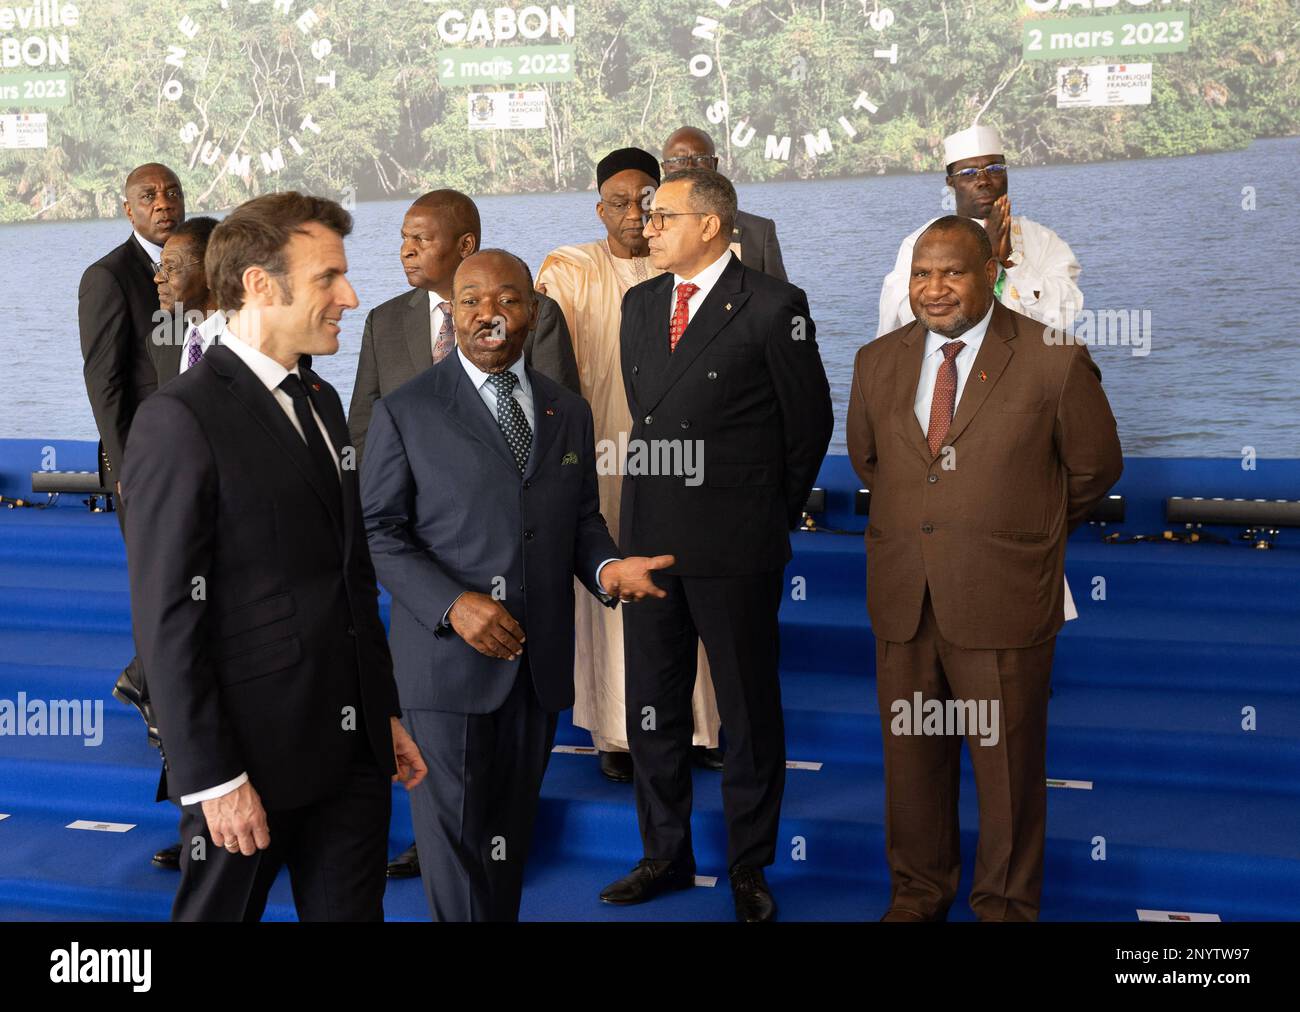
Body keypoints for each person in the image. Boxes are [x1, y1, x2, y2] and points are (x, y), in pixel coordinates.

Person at [121, 192, 426, 921]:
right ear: (259, 285)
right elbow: (167, 616)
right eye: (329, 278)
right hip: (246, 765)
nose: (350, 297)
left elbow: (348, 579)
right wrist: (212, 775)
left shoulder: (319, 398)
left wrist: (379, 712)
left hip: (352, 756)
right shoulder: (180, 418)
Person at [361, 249, 672, 921]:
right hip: (446, 672)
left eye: (506, 300)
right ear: (454, 314)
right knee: (457, 848)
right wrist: (453, 604)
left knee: (505, 844)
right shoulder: (406, 410)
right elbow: (380, 531)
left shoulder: (567, 411)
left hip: (536, 668)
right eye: (471, 300)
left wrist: (607, 570)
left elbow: (580, 519)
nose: (488, 314)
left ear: (533, 313)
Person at [847, 216, 1122, 921]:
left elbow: (1093, 471)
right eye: (921, 274)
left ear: (989, 276)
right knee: (911, 766)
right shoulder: (876, 361)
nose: (934, 289)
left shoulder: (1052, 357)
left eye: (952, 272)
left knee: (1006, 773)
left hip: (1002, 597)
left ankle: (1003, 906)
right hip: (906, 598)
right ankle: (918, 893)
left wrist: (1014, 529)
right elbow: (872, 463)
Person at [599, 169, 833, 922]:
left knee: (746, 713)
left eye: (661, 215)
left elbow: (809, 429)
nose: (646, 224)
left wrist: (765, 517)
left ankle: (748, 866)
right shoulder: (638, 304)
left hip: (736, 544)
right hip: (649, 542)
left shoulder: (773, 306)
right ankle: (663, 855)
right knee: (653, 710)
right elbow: (650, 416)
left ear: (710, 225)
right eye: (644, 215)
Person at [538, 148, 723, 783]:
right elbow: (548, 369)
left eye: (648, 200)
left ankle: (702, 726)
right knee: (612, 580)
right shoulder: (569, 270)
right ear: (599, 208)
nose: (634, 213)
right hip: (598, 454)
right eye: (619, 201)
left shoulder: (692, 270)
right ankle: (618, 731)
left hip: (683, 455)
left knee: (685, 575)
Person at [78, 162, 185, 871]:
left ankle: (146, 676)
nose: (162, 203)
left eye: (172, 191)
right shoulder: (108, 276)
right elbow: (105, 379)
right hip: (144, 465)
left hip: (197, 459)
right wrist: (127, 471)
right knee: (163, 585)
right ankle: (153, 680)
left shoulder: (198, 264)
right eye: (148, 195)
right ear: (125, 208)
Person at [346, 189, 580, 467]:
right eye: (405, 238)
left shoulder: (534, 313)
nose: (406, 251)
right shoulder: (383, 322)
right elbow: (362, 430)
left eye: (421, 239)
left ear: (466, 245)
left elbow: (561, 423)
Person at [877, 124, 1084, 337]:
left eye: (995, 169)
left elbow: (1064, 314)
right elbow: (904, 319)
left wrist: (1011, 261)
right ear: (951, 183)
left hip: (1027, 366)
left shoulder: (1042, 240)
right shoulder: (922, 242)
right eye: (968, 173)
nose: (983, 181)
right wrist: (976, 256)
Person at [661, 126, 787, 281]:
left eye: (700, 159)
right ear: (665, 168)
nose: (690, 167)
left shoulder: (758, 232)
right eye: (679, 160)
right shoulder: (651, 232)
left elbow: (779, 298)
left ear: (714, 164)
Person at [151, 216, 224, 383]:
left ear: (210, 272)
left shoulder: (250, 337)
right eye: (161, 266)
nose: (158, 278)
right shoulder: (160, 342)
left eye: (171, 267)